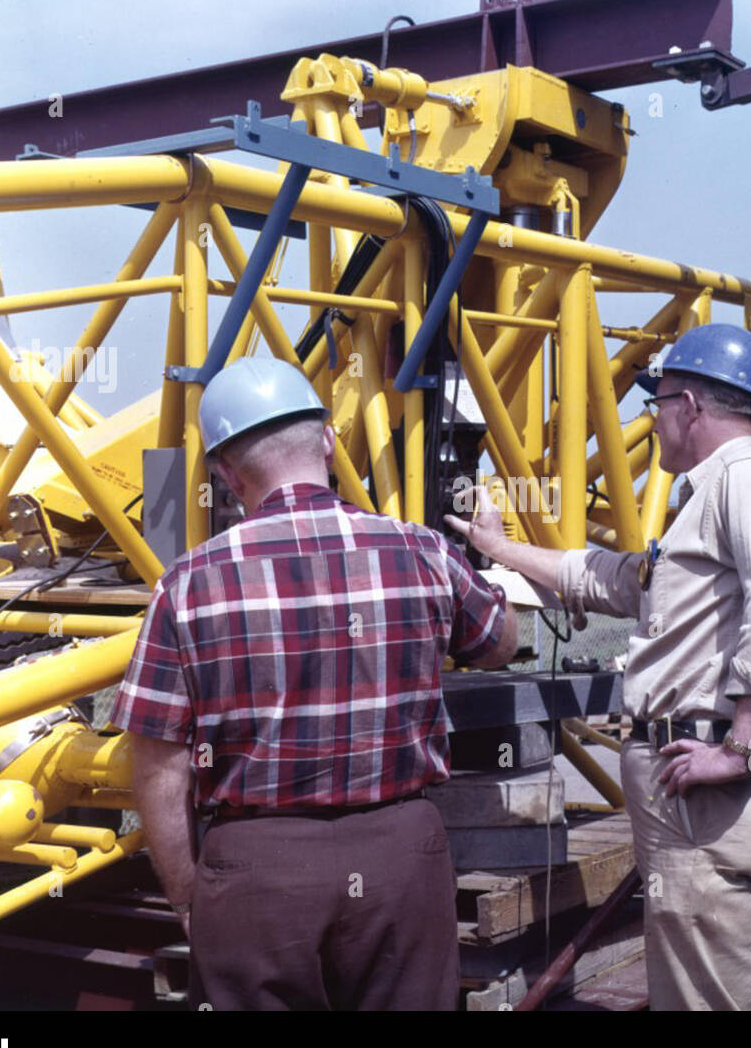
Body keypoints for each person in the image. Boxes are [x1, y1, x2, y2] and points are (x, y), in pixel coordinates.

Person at [112, 356, 518, 1010]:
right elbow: (499, 642)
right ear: (328, 440)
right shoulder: (421, 551)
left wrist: (190, 893)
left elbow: (159, 760)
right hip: (400, 859)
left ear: (223, 472)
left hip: (257, 871)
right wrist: (495, 561)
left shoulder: (187, 584)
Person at [446, 323, 751, 1010]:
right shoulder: (706, 497)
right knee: (688, 989)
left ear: (692, 407)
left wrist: (742, 745)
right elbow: (613, 578)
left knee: (709, 998)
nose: (653, 422)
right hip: (688, 801)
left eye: (659, 403)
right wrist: (501, 548)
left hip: (709, 796)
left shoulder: (749, 479)